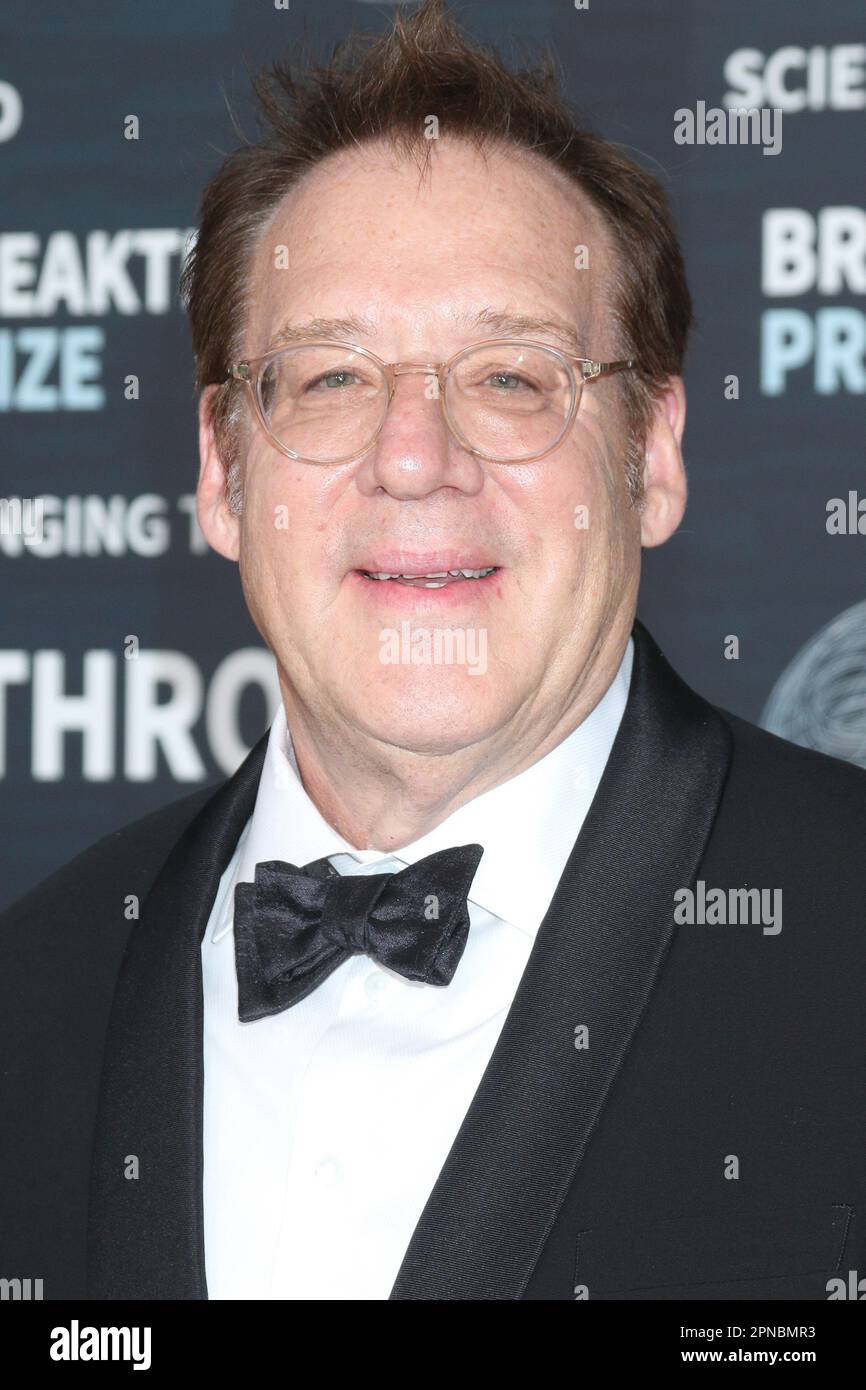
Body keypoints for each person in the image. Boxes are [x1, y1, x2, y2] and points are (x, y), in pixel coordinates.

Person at [1, 0, 864, 1302]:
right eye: (332, 377)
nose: (413, 457)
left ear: (651, 456)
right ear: (222, 471)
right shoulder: (32, 994)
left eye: (512, 377)